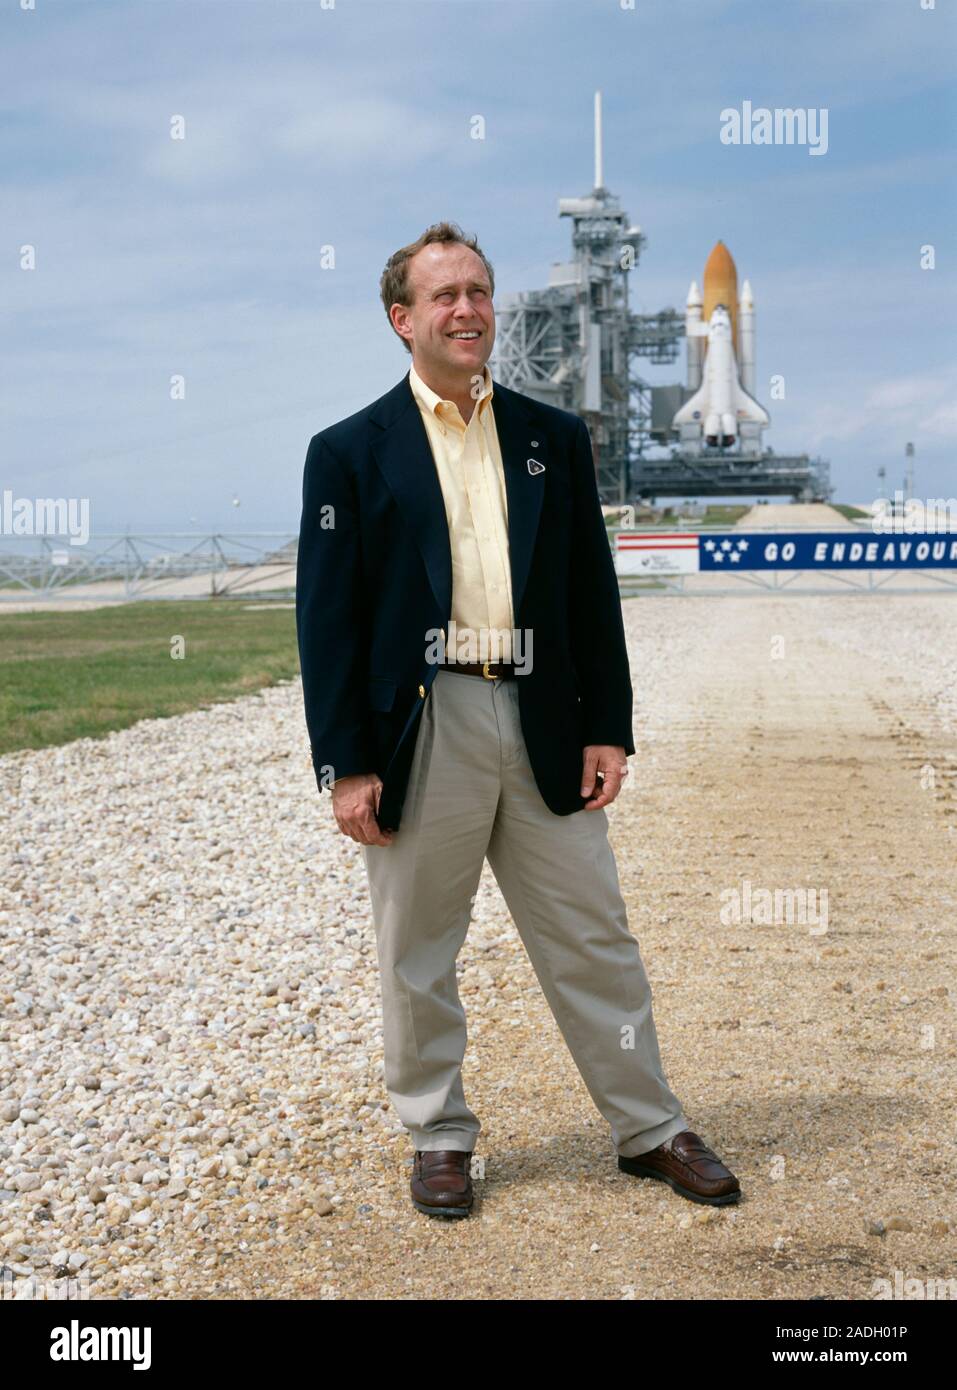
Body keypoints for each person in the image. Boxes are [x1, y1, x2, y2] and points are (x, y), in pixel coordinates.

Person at [295, 220, 740, 1218]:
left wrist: (608, 727)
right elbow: (327, 620)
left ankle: (649, 1124)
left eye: (479, 292)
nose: (467, 310)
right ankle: (440, 1133)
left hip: (542, 713)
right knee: (418, 945)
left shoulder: (555, 438)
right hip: (424, 727)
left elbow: (591, 596)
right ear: (400, 318)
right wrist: (346, 764)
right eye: (444, 295)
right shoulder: (347, 454)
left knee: (595, 936)